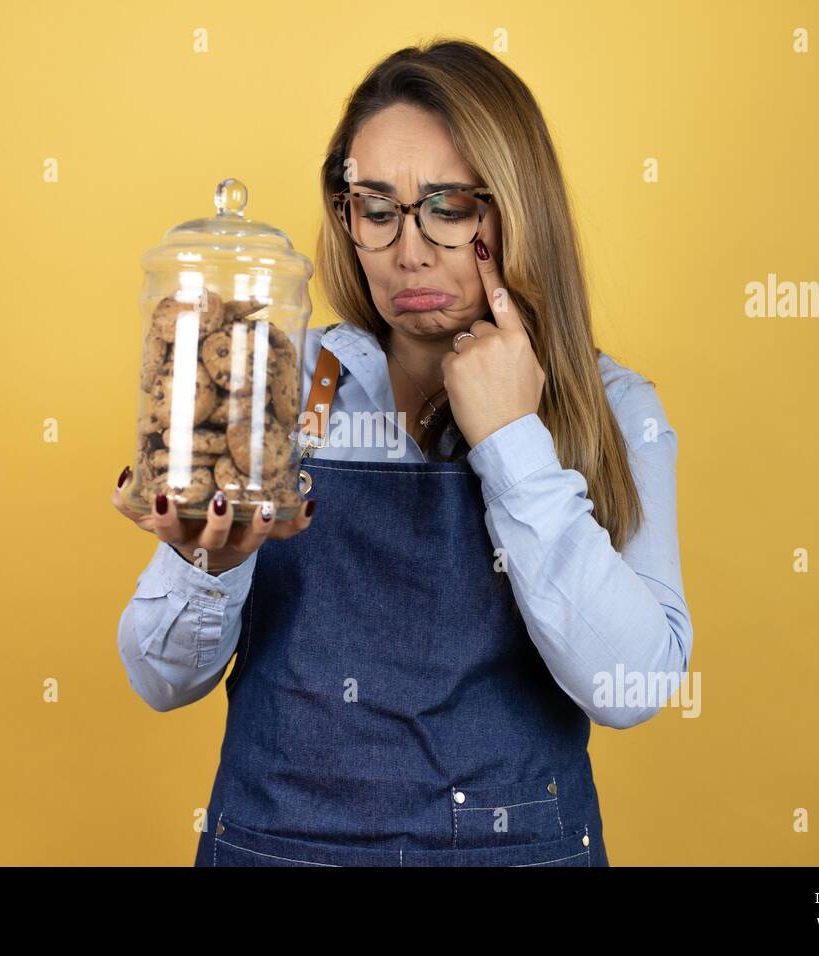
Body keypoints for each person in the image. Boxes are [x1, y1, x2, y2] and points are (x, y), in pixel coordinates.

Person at [112, 38, 693, 867]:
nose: (409, 250)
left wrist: (512, 442)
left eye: (450, 208)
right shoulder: (283, 381)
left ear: (516, 209)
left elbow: (629, 686)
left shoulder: (613, 410)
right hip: (276, 849)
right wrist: (207, 564)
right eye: (376, 208)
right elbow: (161, 681)